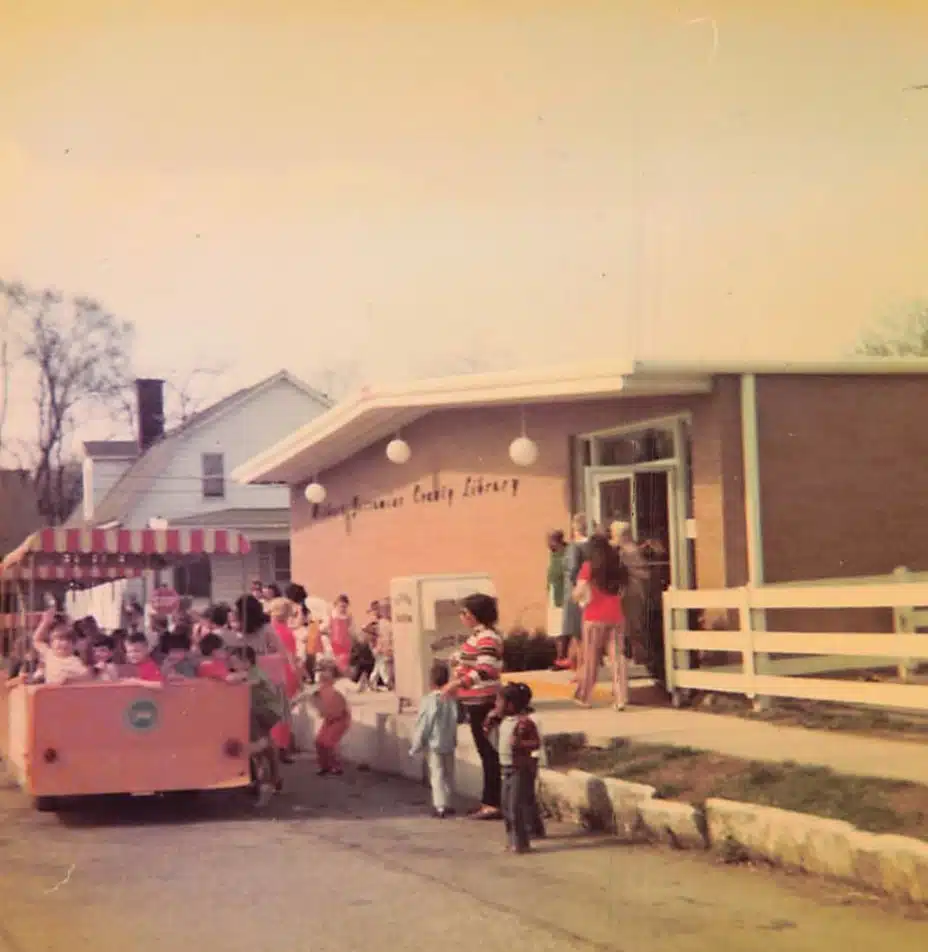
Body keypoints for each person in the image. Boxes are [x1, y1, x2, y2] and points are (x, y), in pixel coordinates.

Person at [441, 592, 504, 820]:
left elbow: (486, 669)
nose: (462, 617)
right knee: (486, 752)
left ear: (475, 615)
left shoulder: (486, 637)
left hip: (483, 700)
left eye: (465, 612)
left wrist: (457, 683)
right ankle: (490, 800)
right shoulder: (479, 636)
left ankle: (492, 803)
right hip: (473, 701)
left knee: (489, 753)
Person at [572, 532, 629, 710]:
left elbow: (579, 592)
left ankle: (584, 696)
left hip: (593, 616)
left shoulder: (589, 567)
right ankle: (621, 698)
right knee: (617, 658)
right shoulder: (618, 565)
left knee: (591, 658)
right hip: (616, 615)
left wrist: (574, 597)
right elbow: (624, 591)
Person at [491, 682, 542, 854]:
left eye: (499, 702)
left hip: (519, 769)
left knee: (515, 806)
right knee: (505, 806)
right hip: (505, 769)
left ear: (510, 705)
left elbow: (536, 743)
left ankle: (521, 842)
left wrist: (520, 743)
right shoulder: (503, 722)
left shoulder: (524, 723)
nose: (496, 705)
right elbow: (492, 739)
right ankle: (511, 839)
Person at [236, 644, 285, 805]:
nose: (232, 665)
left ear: (246, 661)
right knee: (266, 746)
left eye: (235, 661)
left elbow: (253, 681)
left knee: (259, 747)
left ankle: (266, 784)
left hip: (264, 713)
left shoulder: (254, 672)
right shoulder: (249, 672)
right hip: (266, 712)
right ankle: (273, 778)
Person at [409, 660, 458, 818]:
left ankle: (440, 806)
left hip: (434, 743)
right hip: (449, 742)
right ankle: (449, 802)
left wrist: (417, 744)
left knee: (437, 774)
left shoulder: (430, 700)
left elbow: (425, 722)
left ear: (431, 681)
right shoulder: (451, 700)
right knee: (449, 774)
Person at [311, 661, 351, 776]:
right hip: (329, 719)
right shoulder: (320, 687)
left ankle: (336, 767)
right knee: (319, 742)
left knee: (329, 743)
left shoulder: (341, 685)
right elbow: (310, 698)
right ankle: (325, 767)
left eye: (324, 670)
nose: (321, 674)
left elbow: (341, 705)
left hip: (340, 718)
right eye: (320, 671)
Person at [32, 609, 90, 685]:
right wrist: (45, 623)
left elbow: (87, 677)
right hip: (49, 692)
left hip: (67, 693)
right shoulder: (49, 654)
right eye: (59, 639)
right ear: (51, 643)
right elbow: (37, 640)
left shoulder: (76, 661)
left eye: (68, 641)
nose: (63, 643)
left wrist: (70, 680)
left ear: (74, 646)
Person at [563, 514, 590, 674]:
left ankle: (581, 669)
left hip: (576, 591)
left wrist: (575, 587)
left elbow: (573, 569)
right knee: (583, 633)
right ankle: (578, 665)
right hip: (589, 591)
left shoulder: (575, 547)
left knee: (577, 632)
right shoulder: (591, 546)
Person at [545, 530, 570, 669]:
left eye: (549, 541)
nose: (548, 544)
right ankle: (559, 658)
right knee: (555, 630)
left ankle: (564, 658)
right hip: (554, 596)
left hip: (563, 596)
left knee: (562, 630)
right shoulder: (553, 555)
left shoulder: (566, 554)